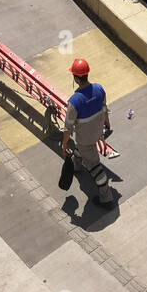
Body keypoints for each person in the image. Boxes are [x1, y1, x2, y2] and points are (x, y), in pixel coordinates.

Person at [61, 58, 114, 207]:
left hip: (85, 139)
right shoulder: (99, 89)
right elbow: (104, 108)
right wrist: (106, 121)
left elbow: (68, 127)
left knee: (94, 166)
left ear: (76, 78)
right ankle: (77, 166)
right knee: (82, 150)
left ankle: (106, 198)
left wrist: (64, 144)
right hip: (97, 132)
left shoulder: (75, 101)